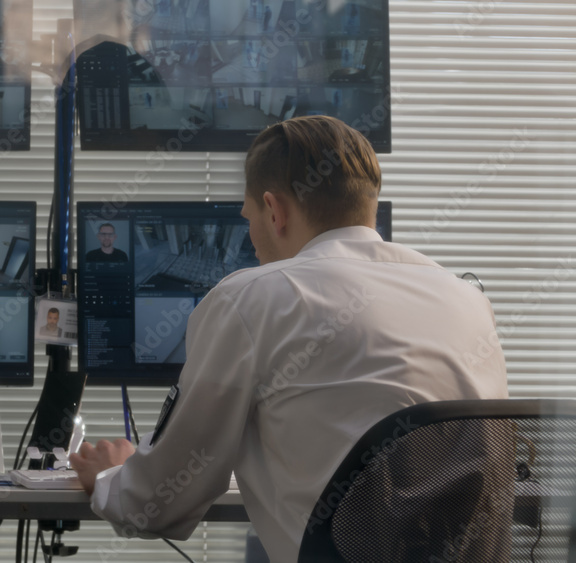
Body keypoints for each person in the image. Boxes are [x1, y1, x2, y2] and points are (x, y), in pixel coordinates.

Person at [70, 115, 508, 563]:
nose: (252, 237)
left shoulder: (252, 297)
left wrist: (112, 476)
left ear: (274, 210)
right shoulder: (467, 299)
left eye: (249, 217)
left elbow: (157, 504)